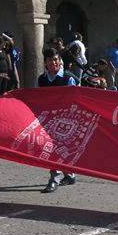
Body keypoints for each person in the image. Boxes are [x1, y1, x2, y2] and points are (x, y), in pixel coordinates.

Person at [38, 48, 78, 193]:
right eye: (50, 60)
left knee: (54, 150)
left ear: (60, 61)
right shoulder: (42, 79)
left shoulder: (68, 78)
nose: (54, 63)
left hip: (66, 121)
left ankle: (53, 180)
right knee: (57, 149)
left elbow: (76, 100)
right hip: (48, 119)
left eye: (56, 59)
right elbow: (38, 98)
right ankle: (70, 174)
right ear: (45, 63)